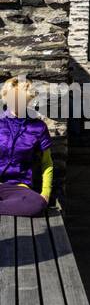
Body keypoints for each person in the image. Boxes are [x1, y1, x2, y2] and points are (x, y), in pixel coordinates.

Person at [0, 76, 54, 217]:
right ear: (5, 97)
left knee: (37, 205)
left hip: (18, 188)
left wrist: (45, 194)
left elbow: (47, 163)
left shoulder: (38, 127)